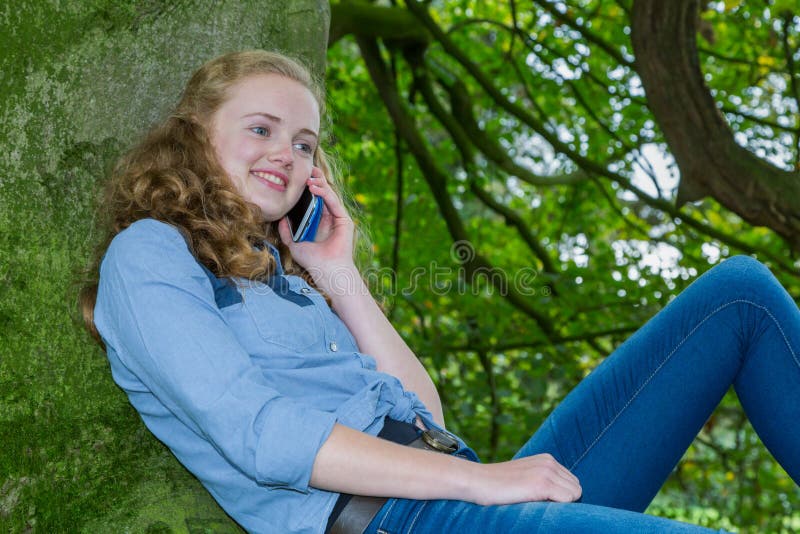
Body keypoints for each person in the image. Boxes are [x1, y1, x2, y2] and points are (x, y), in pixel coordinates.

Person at [79, 50, 800, 534]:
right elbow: (262, 436)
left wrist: (340, 278)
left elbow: (426, 413)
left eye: (304, 143)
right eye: (261, 128)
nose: (287, 155)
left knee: (739, 294)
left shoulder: (288, 278)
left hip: (457, 491)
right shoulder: (148, 254)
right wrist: (479, 485)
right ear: (196, 134)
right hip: (406, 520)